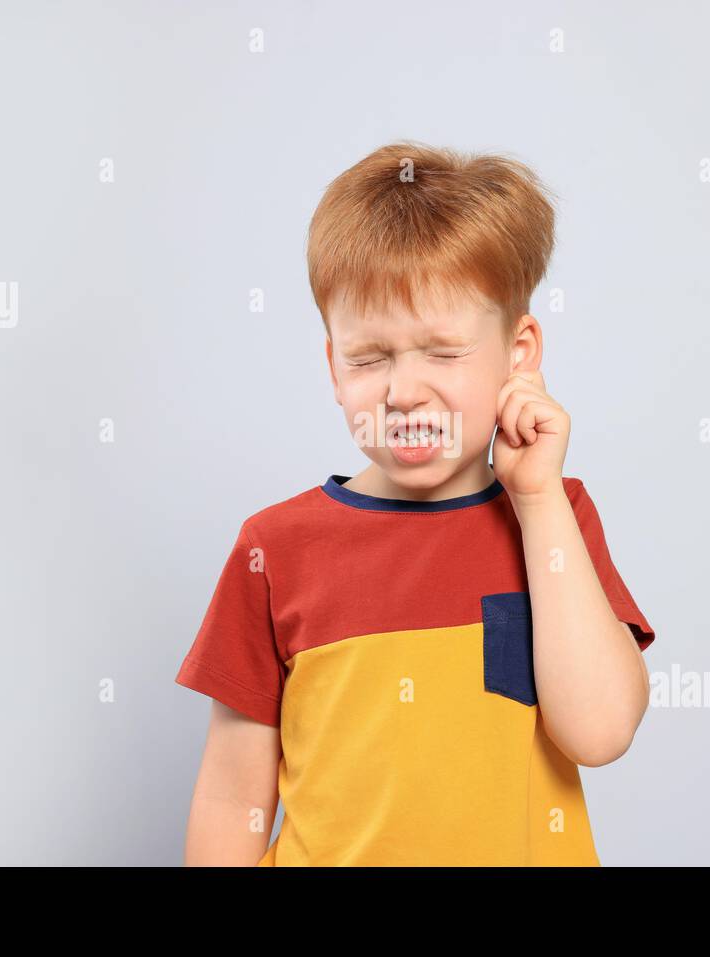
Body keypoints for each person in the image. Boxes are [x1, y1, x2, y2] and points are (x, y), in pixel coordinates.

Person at [176, 141, 657, 866]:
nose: (402, 390)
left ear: (519, 353)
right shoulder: (274, 546)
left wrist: (536, 500)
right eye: (369, 358)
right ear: (333, 367)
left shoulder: (554, 515)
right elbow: (230, 791)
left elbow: (600, 730)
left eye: (442, 351)